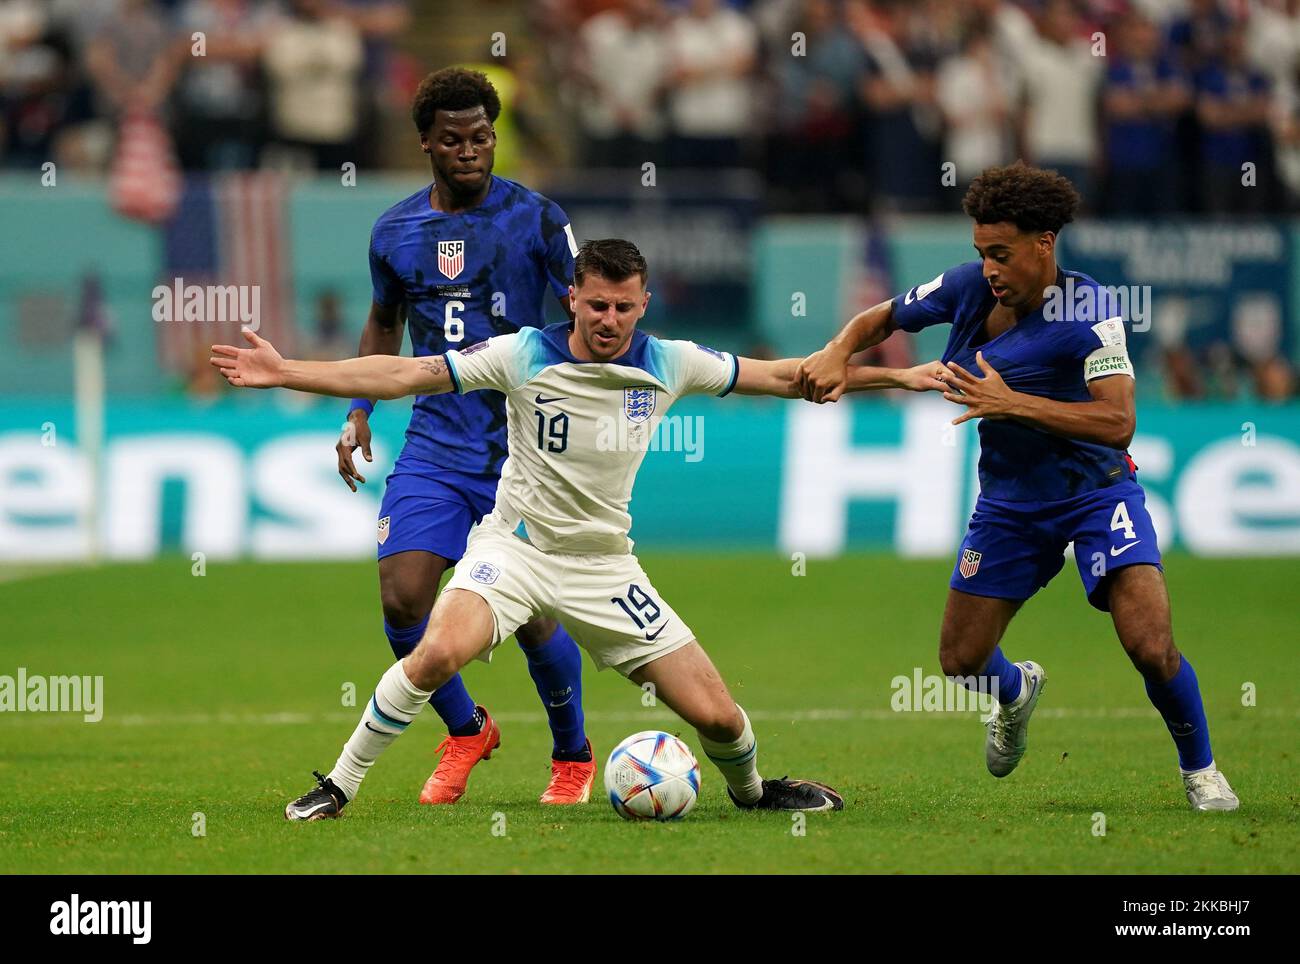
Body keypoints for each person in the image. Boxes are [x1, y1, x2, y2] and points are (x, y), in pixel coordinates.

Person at [211, 238, 947, 819]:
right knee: (436, 651)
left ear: (643, 303)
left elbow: (791, 377)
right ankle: (337, 787)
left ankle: (755, 794)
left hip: (606, 568)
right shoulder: (522, 353)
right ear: (573, 297)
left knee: (720, 719)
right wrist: (289, 372)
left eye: (624, 308)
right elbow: (404, 376)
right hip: (516, 549)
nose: (609, 321)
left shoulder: (671, 363)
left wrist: (896, 377)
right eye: (596, 305)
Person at [796, 163, 1239, 812]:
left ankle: (1201, 770)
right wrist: (839, 348)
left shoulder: (1091, 310)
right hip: (1009, 502)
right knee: (959, 659)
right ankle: (1014, 692)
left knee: (1150, 645)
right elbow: (882, 317)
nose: (989, 268)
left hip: (1097, 495)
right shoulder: (970, 289)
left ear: (1044, 244)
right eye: (981, 253)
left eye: (1000, 254)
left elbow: (1118, 422)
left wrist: (1015, 402)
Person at [334, 66, 594, 807]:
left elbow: (586, 304)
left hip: (524, 449)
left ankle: (572, 754)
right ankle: (466, 727)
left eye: (482, 137)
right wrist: (357, 410)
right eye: (454, 140)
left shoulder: (538, 218)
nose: (472, 150)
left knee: (534, 614)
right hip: (437, 444)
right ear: (427, 143)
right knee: (402, 598)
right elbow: (384, 323)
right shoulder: (395, 231)